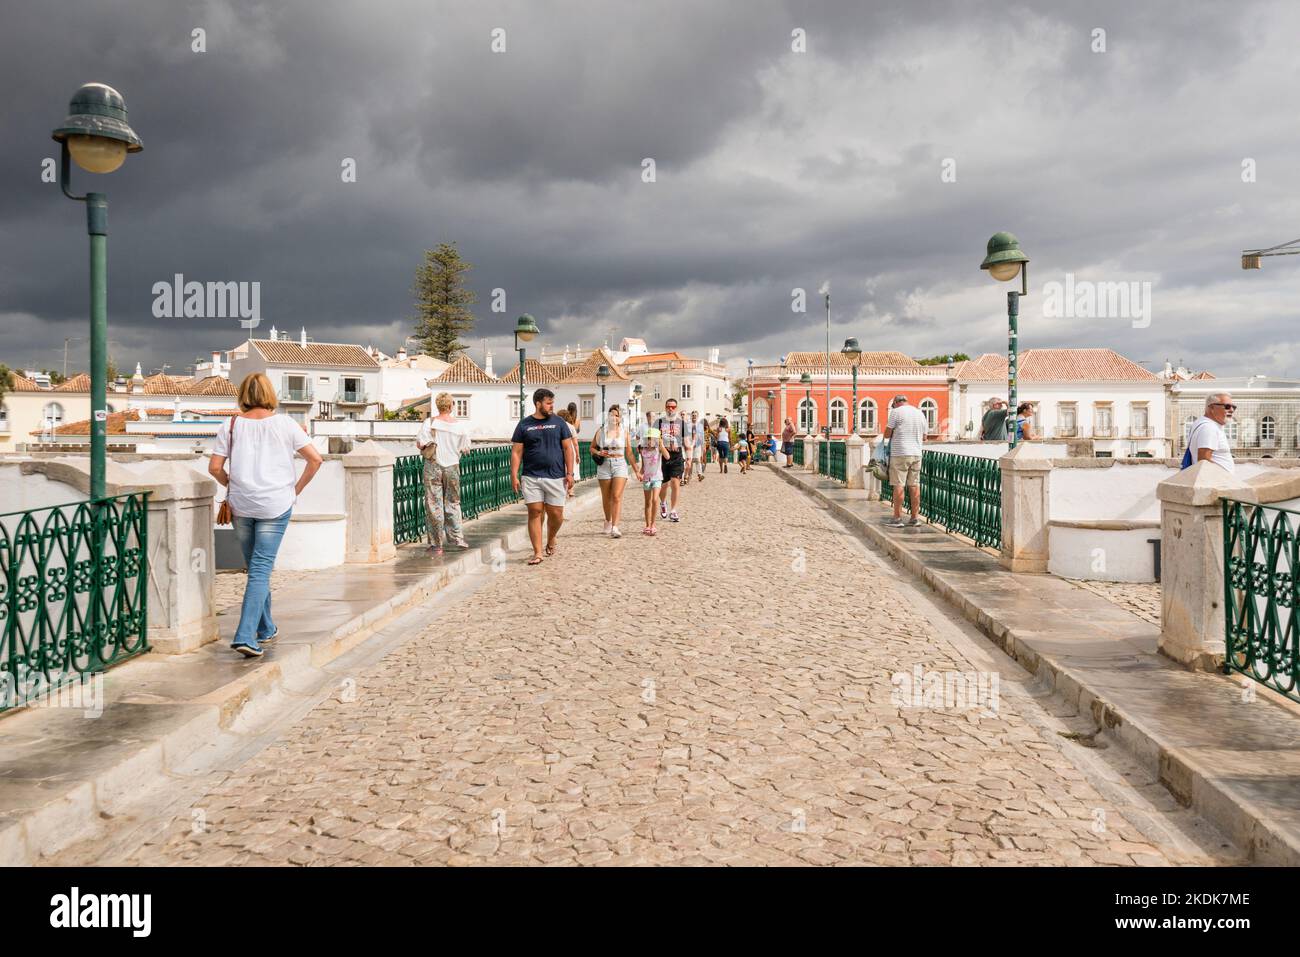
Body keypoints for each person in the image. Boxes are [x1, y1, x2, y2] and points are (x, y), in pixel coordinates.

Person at [209, 372, 323, 658]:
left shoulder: (231, 425)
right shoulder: (285, 424)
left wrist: (232, 484)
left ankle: (266, 628)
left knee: (255, 568)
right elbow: (315, 459)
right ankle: (245, 636)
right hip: (275, 504)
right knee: (260, 570)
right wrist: (295, 490)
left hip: (242, 505)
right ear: (271, 394)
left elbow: (214, 468)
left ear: (243, 394)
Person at [511, 388, 577, 565]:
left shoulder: (559, 423)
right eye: (548, 403)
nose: (551, 406)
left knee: (557, 515)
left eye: (552, 403)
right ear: (538, 403)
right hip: (531, 476)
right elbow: (517, 452)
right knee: (535, 512)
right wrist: (514, 475)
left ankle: (551, 537)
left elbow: (567, 449)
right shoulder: (524, 425)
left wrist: (570, 473)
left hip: (556, 476)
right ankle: (538, 552)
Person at [416, 392, 472, 556]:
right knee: (453, 501)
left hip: (434, 465)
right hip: (452, 466)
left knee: (434, 504)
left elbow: (420, 444)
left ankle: (436, 545)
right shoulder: (460, 426)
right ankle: (457, 538)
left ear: (437, 406)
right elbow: (465, 448)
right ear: (451, 406)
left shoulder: (430, 422)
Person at [883, 394, 927, 528]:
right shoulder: (920, 413)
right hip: (917, 454)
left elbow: (887, 434)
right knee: (914, 485)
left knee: (899, 484)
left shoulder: (896, 412)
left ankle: (897, 518)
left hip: (900, 453)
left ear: (896, 403)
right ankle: (915, 518)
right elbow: (925, 437)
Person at [594, 404, 638, 538]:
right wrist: (600, 452)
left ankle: (615, 527)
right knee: (606, 498)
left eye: (616, 415)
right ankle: (608, 520)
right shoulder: (601, 431)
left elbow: (629, 453)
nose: (614, 417)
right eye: (611, 414)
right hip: (605, 466)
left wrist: (637, 470)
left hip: (620, 464)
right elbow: (592, 448)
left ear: (620, 418)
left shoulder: (625, 432)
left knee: (616, 496)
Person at [655, 399, 689, 522]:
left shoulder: (682, 423)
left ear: (676, 408)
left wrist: (689, 457)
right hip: (663, 456)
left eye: (673, 407)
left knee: (675, 483)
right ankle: (663, 503)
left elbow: (686, 441)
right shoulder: (658, 422)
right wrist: (663, 446)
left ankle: (674, 510)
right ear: (665, 407)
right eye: (668, 407)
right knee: (664, 485)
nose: (671, 409)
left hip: (677, 456)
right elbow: (653, 439)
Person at [1186, 392, 1236, 472]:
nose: (1232, 410)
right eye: (1227, 406)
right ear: (1212, 407)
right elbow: (1204, 461)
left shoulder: (1203, 423)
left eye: (1233, 407)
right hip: (1217, 482)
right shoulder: (1209, 427)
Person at [636, 424, 666, 536]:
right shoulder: (643, 451)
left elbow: (667, 456)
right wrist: (639, 473)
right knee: (647, 502)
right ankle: (647, 525)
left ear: (657, 440)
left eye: (653, 439)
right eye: (649, 439)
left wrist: (662, 445)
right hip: (646, 479)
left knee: (654, 500)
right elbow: (643, 467)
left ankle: (653, 525)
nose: (650, 441)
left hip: (657, 478)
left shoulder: (659, 450)